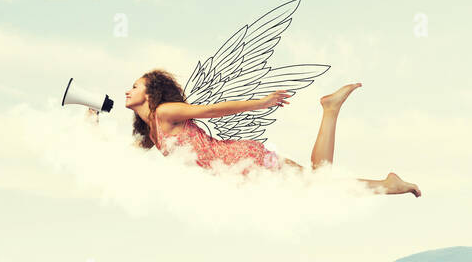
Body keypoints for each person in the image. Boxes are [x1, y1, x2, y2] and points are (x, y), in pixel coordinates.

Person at [115, 68, 421, 196]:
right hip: (237, 169)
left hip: (244, 160)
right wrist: (92, 122)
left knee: (318, 184)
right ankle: (387, 184)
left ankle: (331, 111)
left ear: (151, 93)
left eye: (135, 87)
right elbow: (118, 159)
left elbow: (212, 110)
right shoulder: (153, 132)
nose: (128, 91)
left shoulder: (165, 112)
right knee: (318, 185)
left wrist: (261, 103)